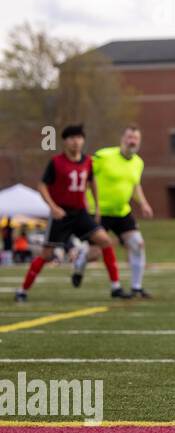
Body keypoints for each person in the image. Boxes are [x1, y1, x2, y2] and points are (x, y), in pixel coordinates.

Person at [17, 125, 129, 302]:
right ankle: (22, 290)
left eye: (79, 138)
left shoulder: (87, 161)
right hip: (61, 215)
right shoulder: (56, 162)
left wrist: (97, 206)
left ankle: (116, 287)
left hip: (81, 213)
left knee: (105, 241)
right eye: (72, 138)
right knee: (46, 255)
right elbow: (42, 186)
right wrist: (53, 207)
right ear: (65, 141)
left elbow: (92, 182)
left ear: (83, 140)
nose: (76, 142)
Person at [72, 125, 155, 298]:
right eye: (129, 137)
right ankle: (80, 261)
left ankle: (136, 287)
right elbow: (84, 176)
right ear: (122, 139)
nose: (132, 141)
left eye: (136, 138)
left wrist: (144, 204)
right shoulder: (104, 156)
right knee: (94, 254)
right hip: (98, 211)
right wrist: (82, 200)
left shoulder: (138, 162)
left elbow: (135, 186)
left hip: (122, 212)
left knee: (138, 244)